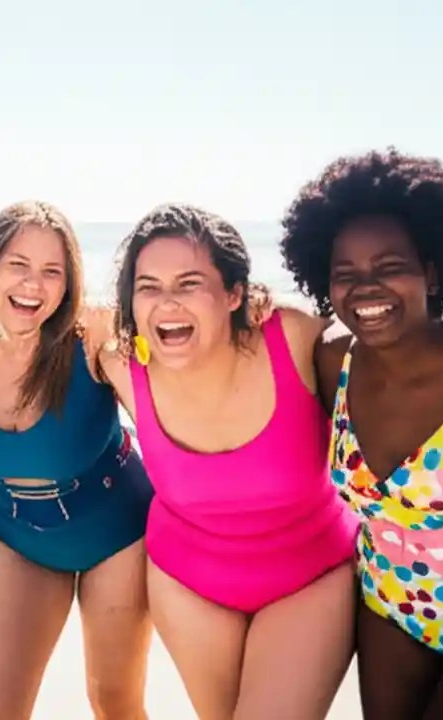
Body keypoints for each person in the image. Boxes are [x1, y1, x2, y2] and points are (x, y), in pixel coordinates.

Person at [95, 203, 358, 719]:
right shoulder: (121, 364)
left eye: (189, 283)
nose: (166, 302)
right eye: (148, 286)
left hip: (310, 578)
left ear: (236, 293)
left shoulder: (295, 336)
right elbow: (67, 320)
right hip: (187, 585)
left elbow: (389, 350)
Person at [280, 147, 443, 719]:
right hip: (390, 612)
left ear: (431, 271)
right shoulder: (335, 361)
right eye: (346, 275)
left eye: (390, 267)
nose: (367, 288)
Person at [0, 200, 155, 719]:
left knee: (113, 702)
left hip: (117, 528)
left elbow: (172, 397)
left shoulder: (91, 336)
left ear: (69, 284)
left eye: (51, 272)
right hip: (17, 533)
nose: (32, 285)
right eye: (17, 265)